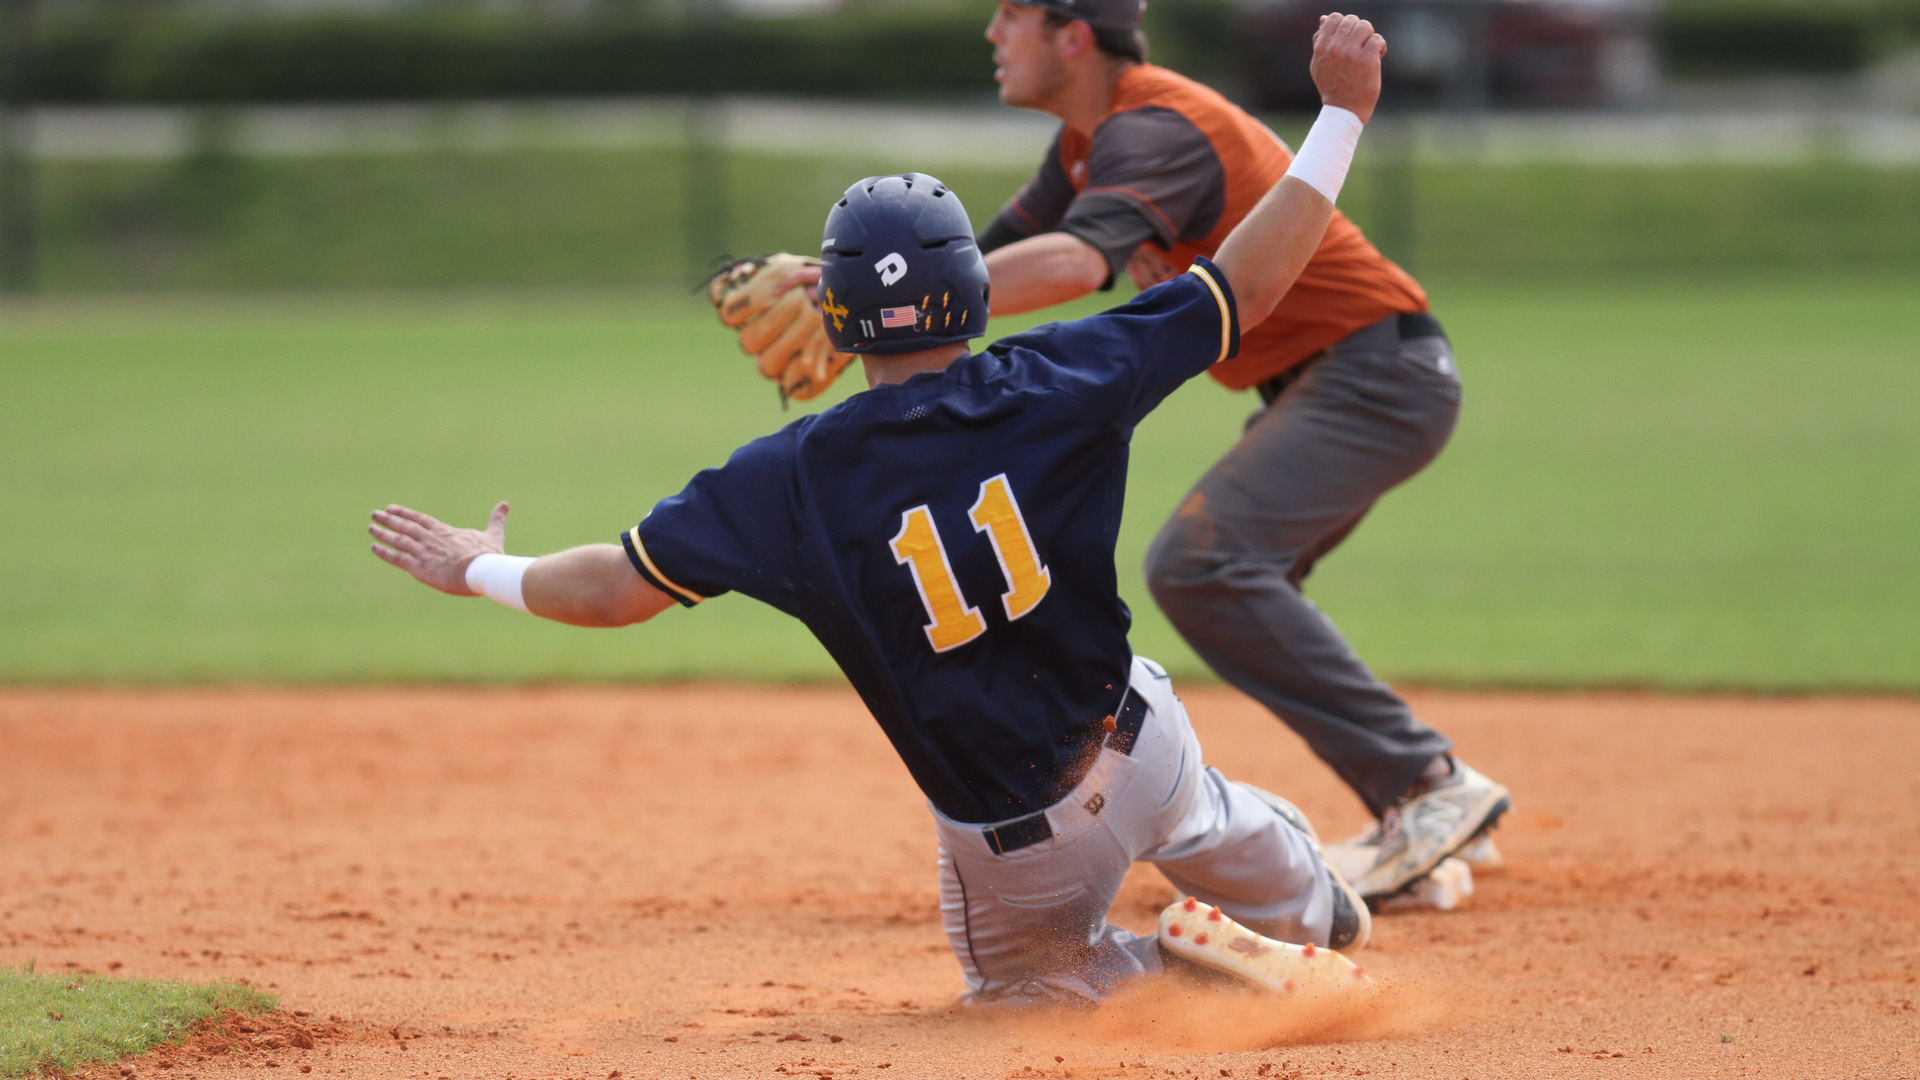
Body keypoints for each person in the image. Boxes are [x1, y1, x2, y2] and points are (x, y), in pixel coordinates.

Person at [371, 15, 1386, 1007]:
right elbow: (1245, 282)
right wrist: (1341, 113)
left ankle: (1169, 973)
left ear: (837, 319)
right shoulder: (1064, 374)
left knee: (1024, 990)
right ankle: (1301, 898)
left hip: (1027, 835)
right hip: (1137, 741)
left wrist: (475, 566)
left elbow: (611, 591)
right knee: (1193, 798)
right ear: (974, 288)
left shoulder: (789, 479)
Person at [971, 0, 1510, 900]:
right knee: (1223, 581)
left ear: (1074, 35)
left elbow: (1071, 265)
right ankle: (1419, 804)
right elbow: (974, 269)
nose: (993, 33)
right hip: (1340, 379)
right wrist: (838, 283)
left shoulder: (1154, 126)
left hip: (1378, 374)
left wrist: (859, 301)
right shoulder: (1085, 143)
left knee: (1202, 564)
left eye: (1013, 14)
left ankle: (1431, 787)